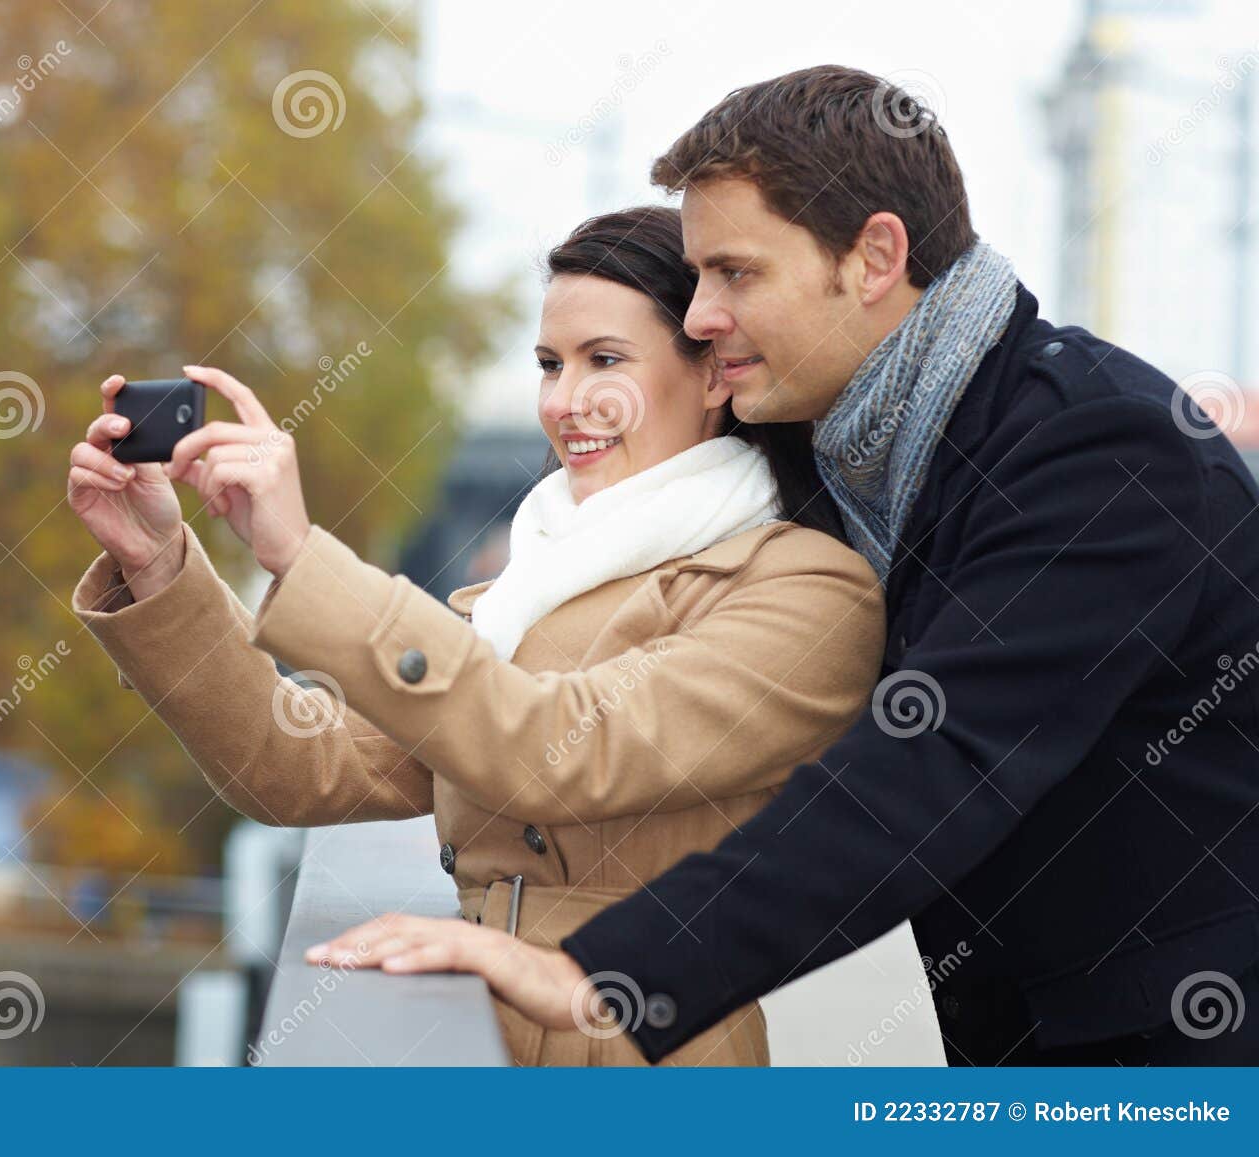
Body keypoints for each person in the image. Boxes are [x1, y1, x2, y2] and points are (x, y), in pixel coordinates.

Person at [314, 65, 1259, 1066]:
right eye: (697, 276)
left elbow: (937, 760)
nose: (699, 315)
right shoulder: (861, 449)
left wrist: (604, 972)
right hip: (1035, 1034)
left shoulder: (1098, 450)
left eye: (736, 273)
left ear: (874, 257)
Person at [67, 206, 886, 1065]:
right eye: (549, 365)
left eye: (605, 360)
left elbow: (556, 748)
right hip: (472, 1046)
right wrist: (161, 565)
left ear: (714, 373)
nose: (563, 402)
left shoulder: (808, 590)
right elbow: (293, 764)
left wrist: (301, 556)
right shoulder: (528, 586)